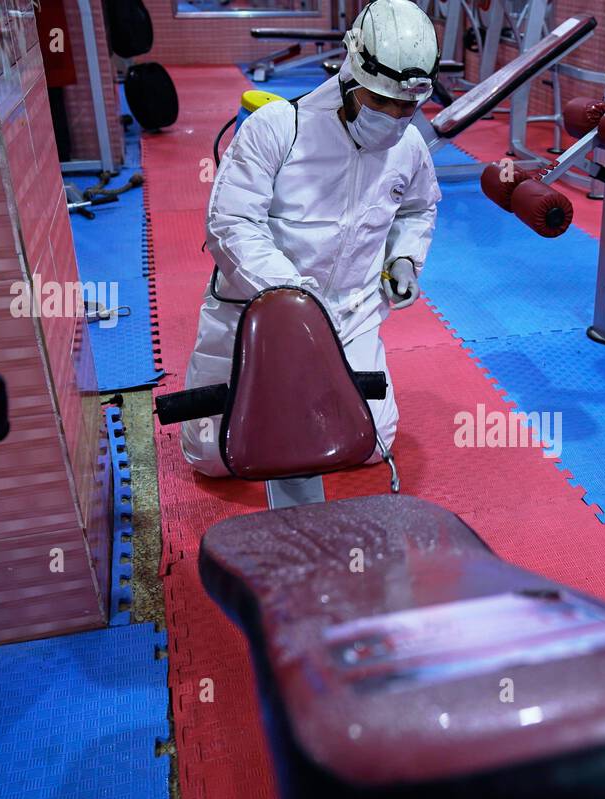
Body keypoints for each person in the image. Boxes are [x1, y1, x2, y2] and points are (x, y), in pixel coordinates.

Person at [181, 0, 441, 507]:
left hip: (350, 313)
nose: (392, 118)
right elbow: (230, 223)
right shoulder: (279, 127)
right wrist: (288, 297)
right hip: (252, 312)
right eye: (380, 102)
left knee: (371, 443)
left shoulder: (409, 146)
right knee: (213, 456)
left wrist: (404, 259)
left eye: (405, 108)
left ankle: (299, 410)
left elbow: (417, 210)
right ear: (351, 73)